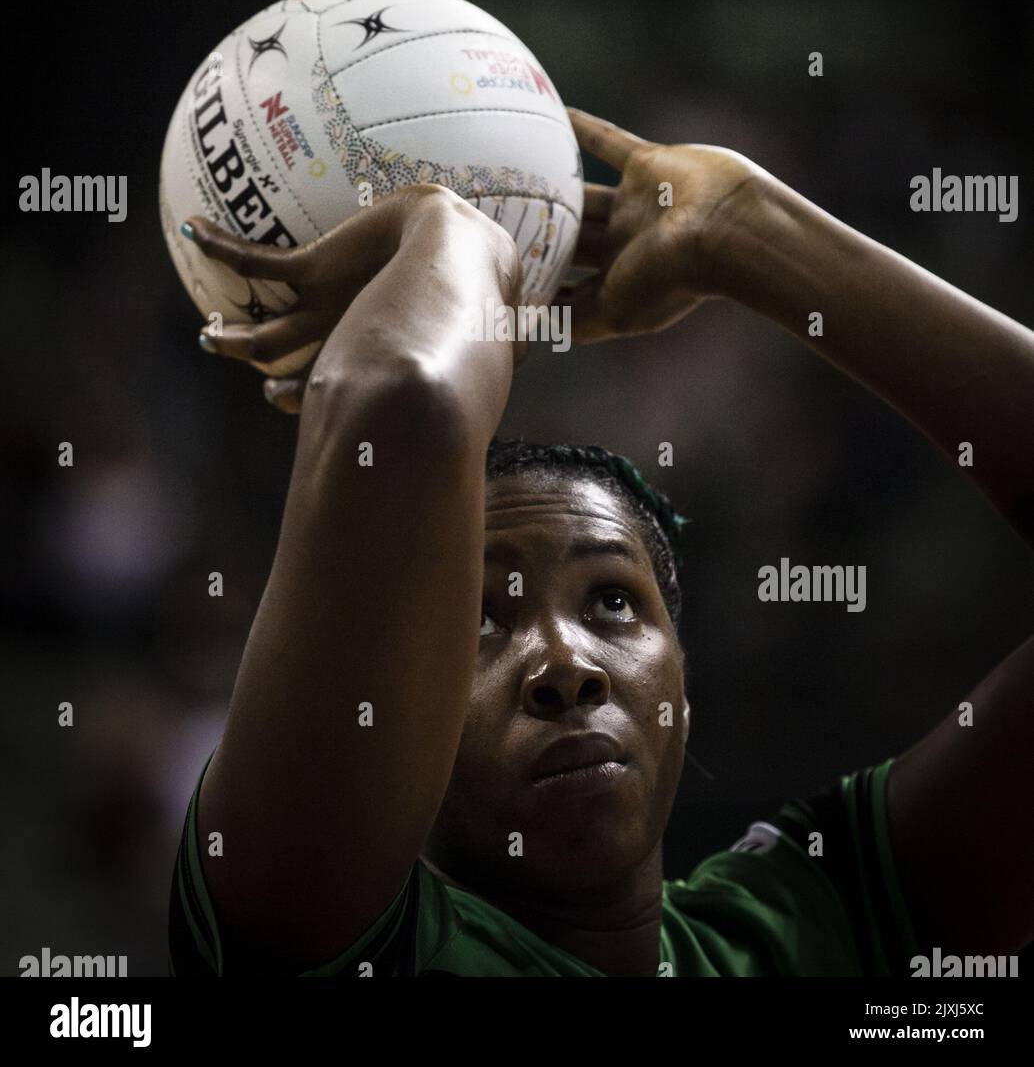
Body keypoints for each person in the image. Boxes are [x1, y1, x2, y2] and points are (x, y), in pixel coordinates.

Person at [168, 108, 1033, 977]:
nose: (563, 667)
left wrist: (746, 232)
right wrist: (452, 225)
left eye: (612, 601)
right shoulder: (328, 931)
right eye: (479, 622)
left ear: (683, 691)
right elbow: (402, 408)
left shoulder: (810, 926)